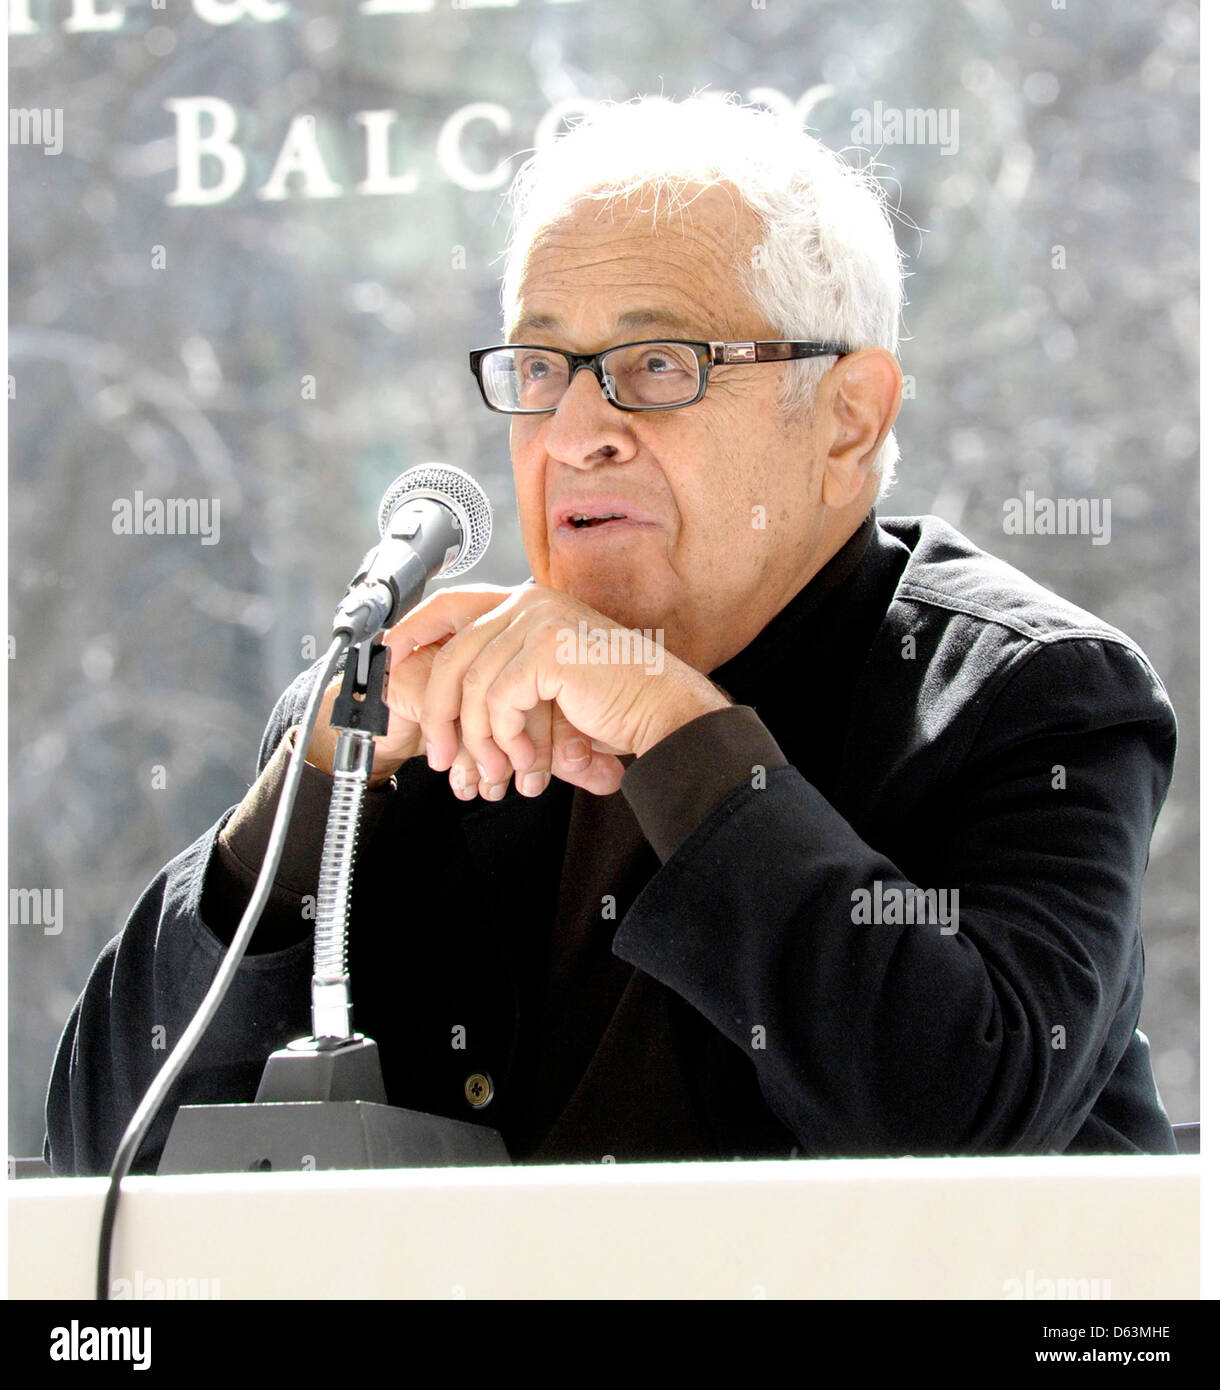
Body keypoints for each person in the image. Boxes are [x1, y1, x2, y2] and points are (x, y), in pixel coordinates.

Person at [45, 95, 1178, 1175]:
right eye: (540, 370)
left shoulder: (1028, 697)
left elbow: (960, 1134)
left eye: (656, 367)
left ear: (847, 418)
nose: (578, 429)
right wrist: (302, 814)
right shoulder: (414, 709)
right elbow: (104, 1151)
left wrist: (676, 731)